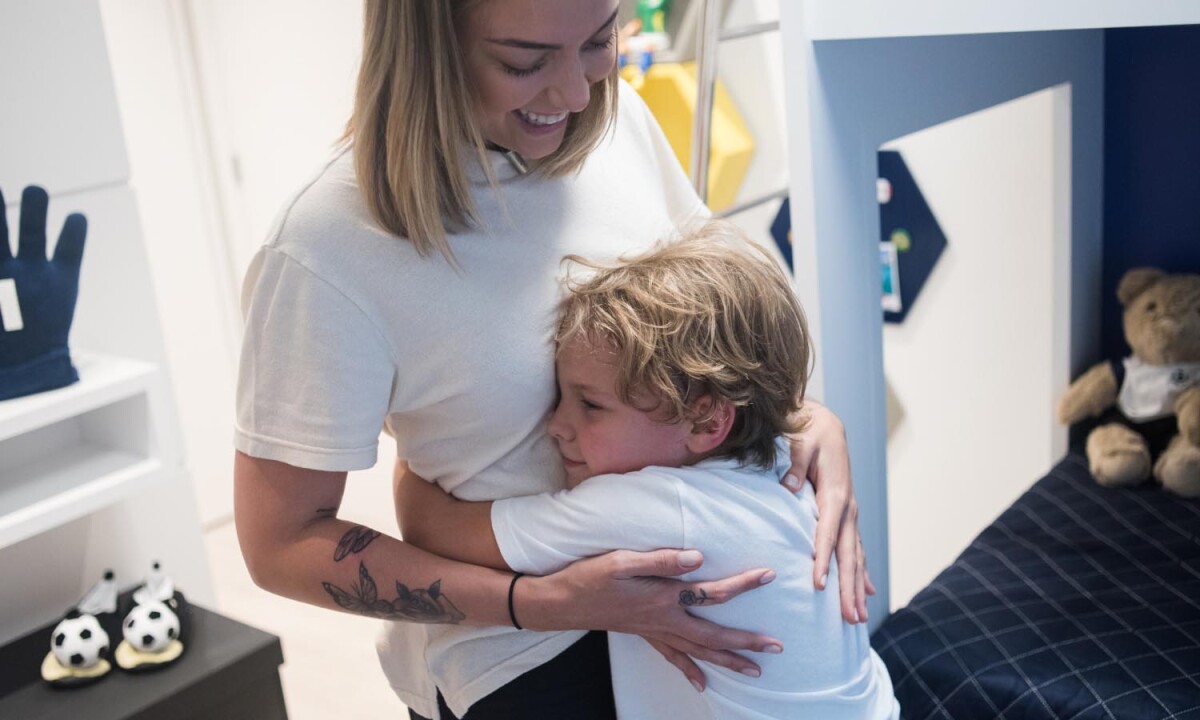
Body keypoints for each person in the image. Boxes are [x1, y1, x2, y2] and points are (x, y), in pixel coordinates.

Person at [233, 1, 872, 718]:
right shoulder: (325, 247)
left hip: (698, 598)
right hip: (521, 645)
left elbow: (719, 326)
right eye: (523, 62)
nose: (575, 93)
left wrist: (810, 417)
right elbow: (280, 544)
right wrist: (536, 602)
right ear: (427, 45)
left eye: (600, 40)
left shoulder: (614, 118)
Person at [397, 224, 899, 719]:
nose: (556, 425)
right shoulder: (784, 454)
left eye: (590, 405)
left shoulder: (659, 506)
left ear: (706, 420)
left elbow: (431, 527)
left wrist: (418, 439)